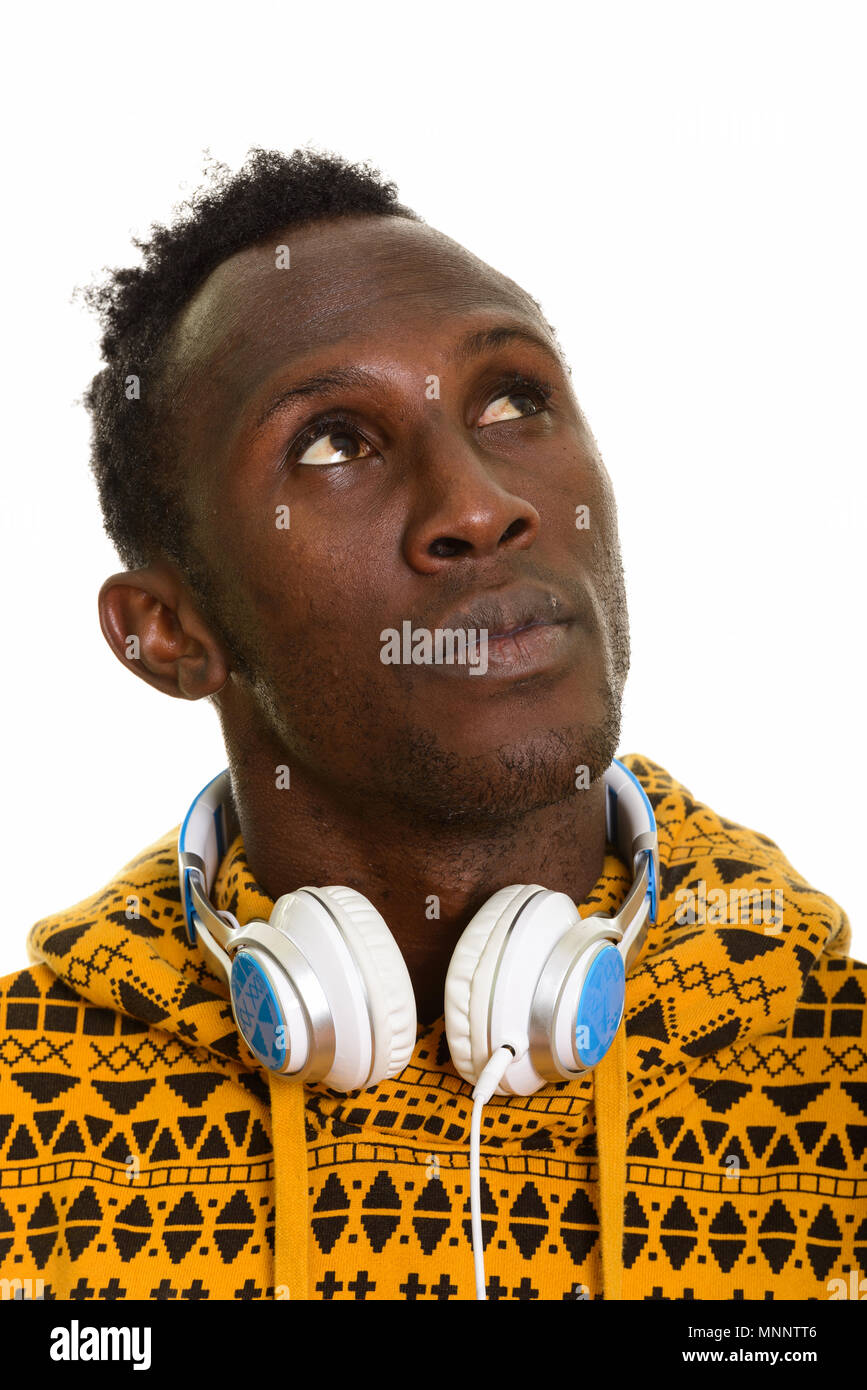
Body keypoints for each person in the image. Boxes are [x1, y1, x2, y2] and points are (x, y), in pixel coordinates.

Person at [1, 149, 863, 1303]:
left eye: (513, 399)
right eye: (332, 443)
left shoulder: (839, 1075)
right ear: (167, 631)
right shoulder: (26, 1125)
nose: (479, 504)